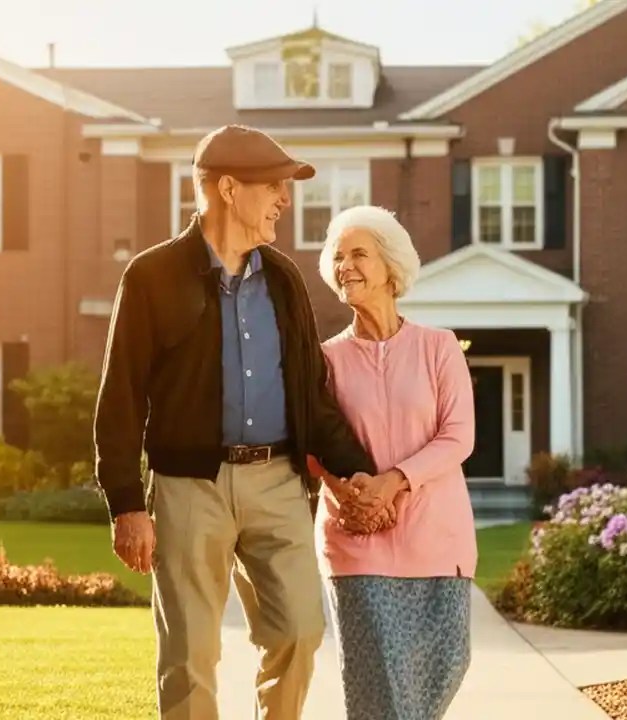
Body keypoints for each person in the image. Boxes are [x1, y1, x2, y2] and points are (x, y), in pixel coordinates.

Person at [92, 124, 377, 720]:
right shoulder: (150, 277)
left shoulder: (283, 280)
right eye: (273, 185)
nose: (284, 198)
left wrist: (357, 471)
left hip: (276, 481)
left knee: (299, 629)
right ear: (227, 188)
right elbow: (120, 397)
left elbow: (310, 393)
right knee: (190, 654)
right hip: (187, 489)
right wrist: (126, 503)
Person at [310, 204, 478, 719]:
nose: (346, 265)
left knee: (447, 664)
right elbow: (311, 441)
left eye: (358, 253)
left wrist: (395, 482)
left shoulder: (438, 347)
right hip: (358, 538)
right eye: (338, 257)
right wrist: (349, 495)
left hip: (437, 537)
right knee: (376, 683)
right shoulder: (324, 358)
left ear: (390, 266)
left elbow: (458, 436)